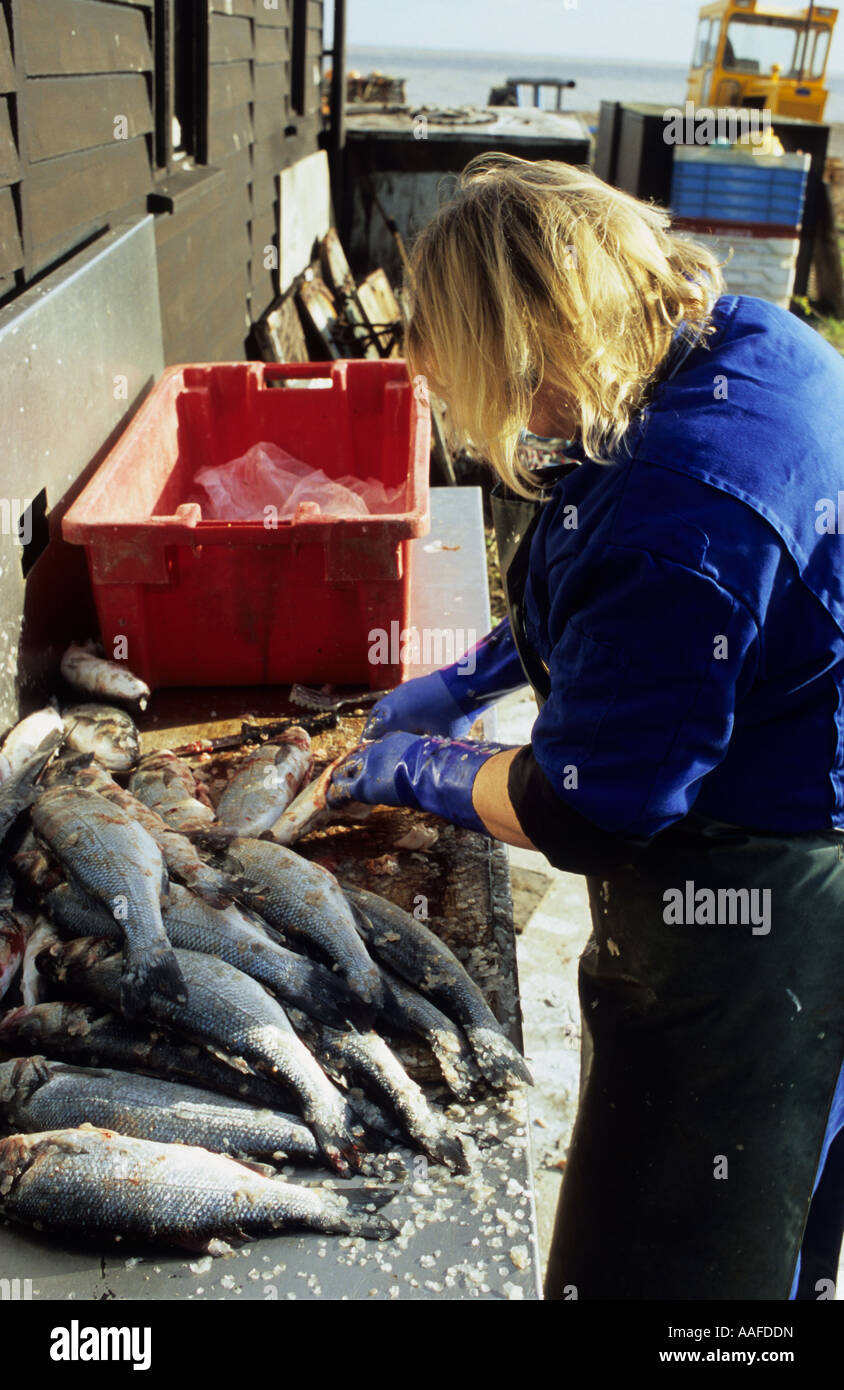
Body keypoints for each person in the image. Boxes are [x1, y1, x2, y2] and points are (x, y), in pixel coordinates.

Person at [327, 152, 844, 1301]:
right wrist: (465, 679)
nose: (486, 410)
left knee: (684, 1260)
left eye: (480, 375)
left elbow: (588, 805)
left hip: (765, 907)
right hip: (785, 772)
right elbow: (606, 567)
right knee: (780, 1226)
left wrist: (426, 770)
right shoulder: (738, 337)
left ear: (542, 343)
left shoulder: (685, 506)